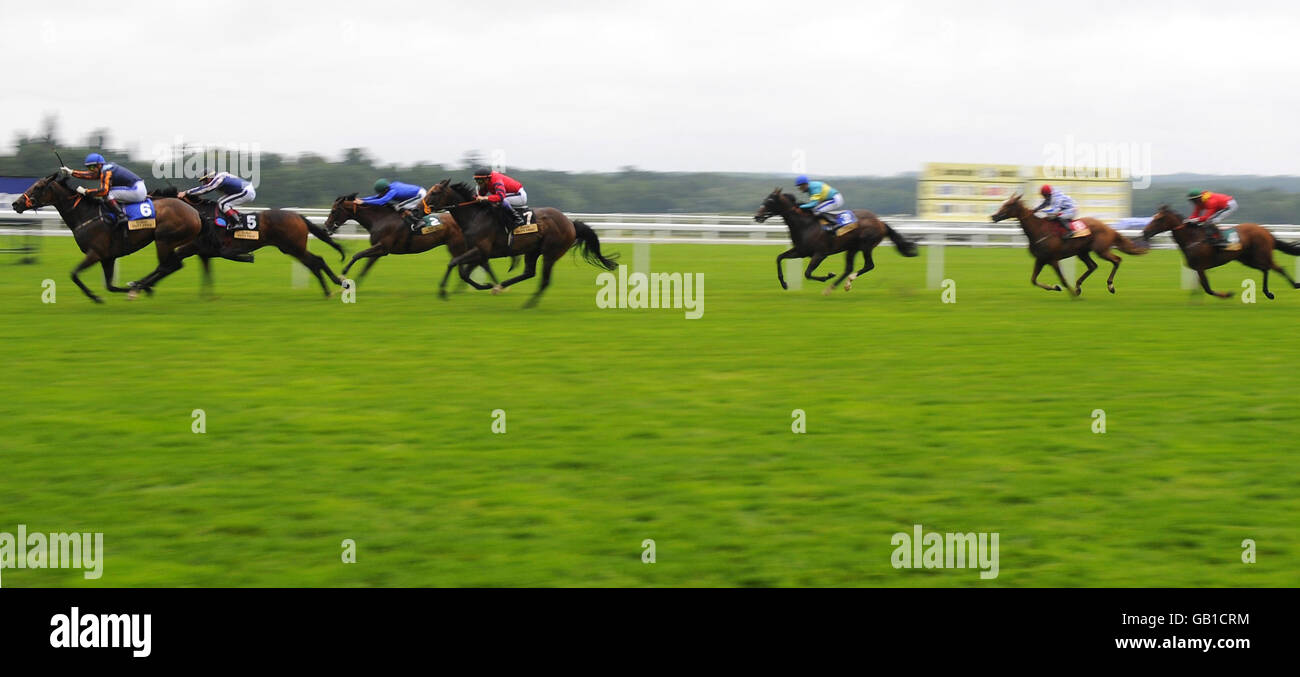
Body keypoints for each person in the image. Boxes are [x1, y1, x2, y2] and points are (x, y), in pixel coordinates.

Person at [60, 153, 146, 226]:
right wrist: (71, 172)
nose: (91, 170)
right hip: (136, 188)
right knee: (109, 194)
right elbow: (91, 175)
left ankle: (121, 216)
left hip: (137, 190)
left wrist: (86, 192)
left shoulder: (107, 171)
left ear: (99, 165)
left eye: (92, 167)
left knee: (108, 194)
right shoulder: (105, 168)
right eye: (89, 168)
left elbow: (104, 191)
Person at [181, 170, 256, 228]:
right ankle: (230, 220)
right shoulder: (218, 177)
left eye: (205, 180)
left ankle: (237, 223)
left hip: (246, 191)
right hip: (242, 190)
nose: (204, 183)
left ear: (210, 177)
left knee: (223, 204)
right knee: (220, 202)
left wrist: (186, 192)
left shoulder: (218, 179)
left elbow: (207, 189)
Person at [472, 167, 528, 234]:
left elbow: (500, 196)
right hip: (510, 195)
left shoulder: (496, 180)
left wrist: (485, 198)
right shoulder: (486, 182)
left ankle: (518, 219)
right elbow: (480, 196)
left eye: (480, 181)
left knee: (501, 200)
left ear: (487, 179)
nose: (478, 183)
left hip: (519, 195)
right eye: (476, 180)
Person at [354, 179, 426, 229]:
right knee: (398, 207)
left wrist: (363, 202)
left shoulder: (392, 191)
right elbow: (376, 197)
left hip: (419, 194)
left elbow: (381, 201)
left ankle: (418, 222)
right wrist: (362, 199)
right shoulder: (388, 188)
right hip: (416, 193)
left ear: (385, 190)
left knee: (398, 207)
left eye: (381, 192)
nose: (381, 194)